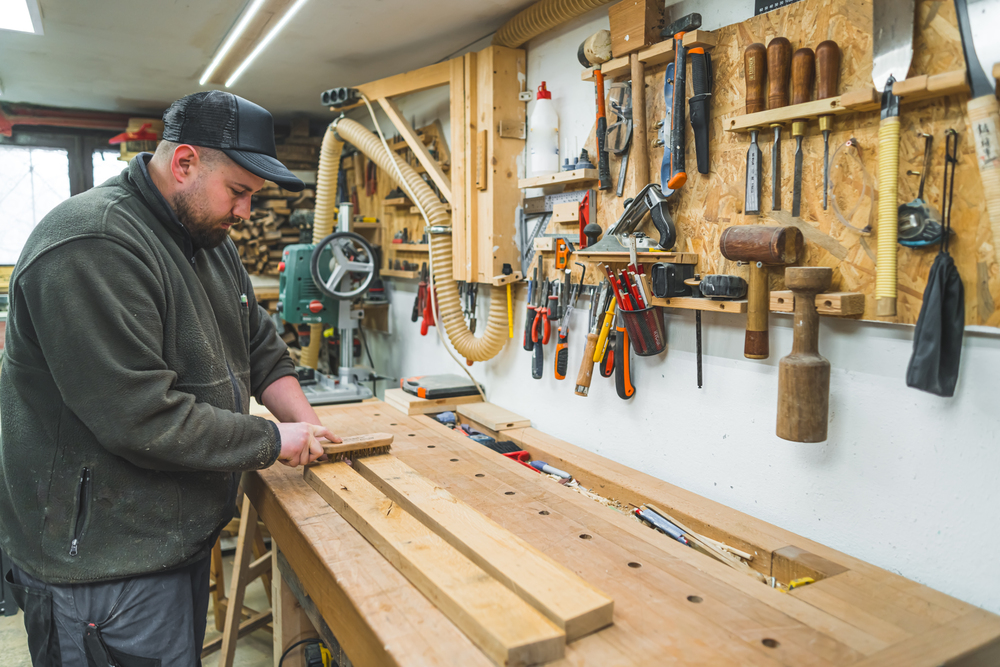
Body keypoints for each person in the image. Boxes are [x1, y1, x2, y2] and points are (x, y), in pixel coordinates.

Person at [0, 90, 338, 666]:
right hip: (102, 562)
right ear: (184, 163)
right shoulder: (94, 242)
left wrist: (308, 427)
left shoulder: (206, 237)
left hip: (169, 536)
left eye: (253, 197)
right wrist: (272, 439)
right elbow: (141, 417)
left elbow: (259, 344)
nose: (245, 212)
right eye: (238, 191)